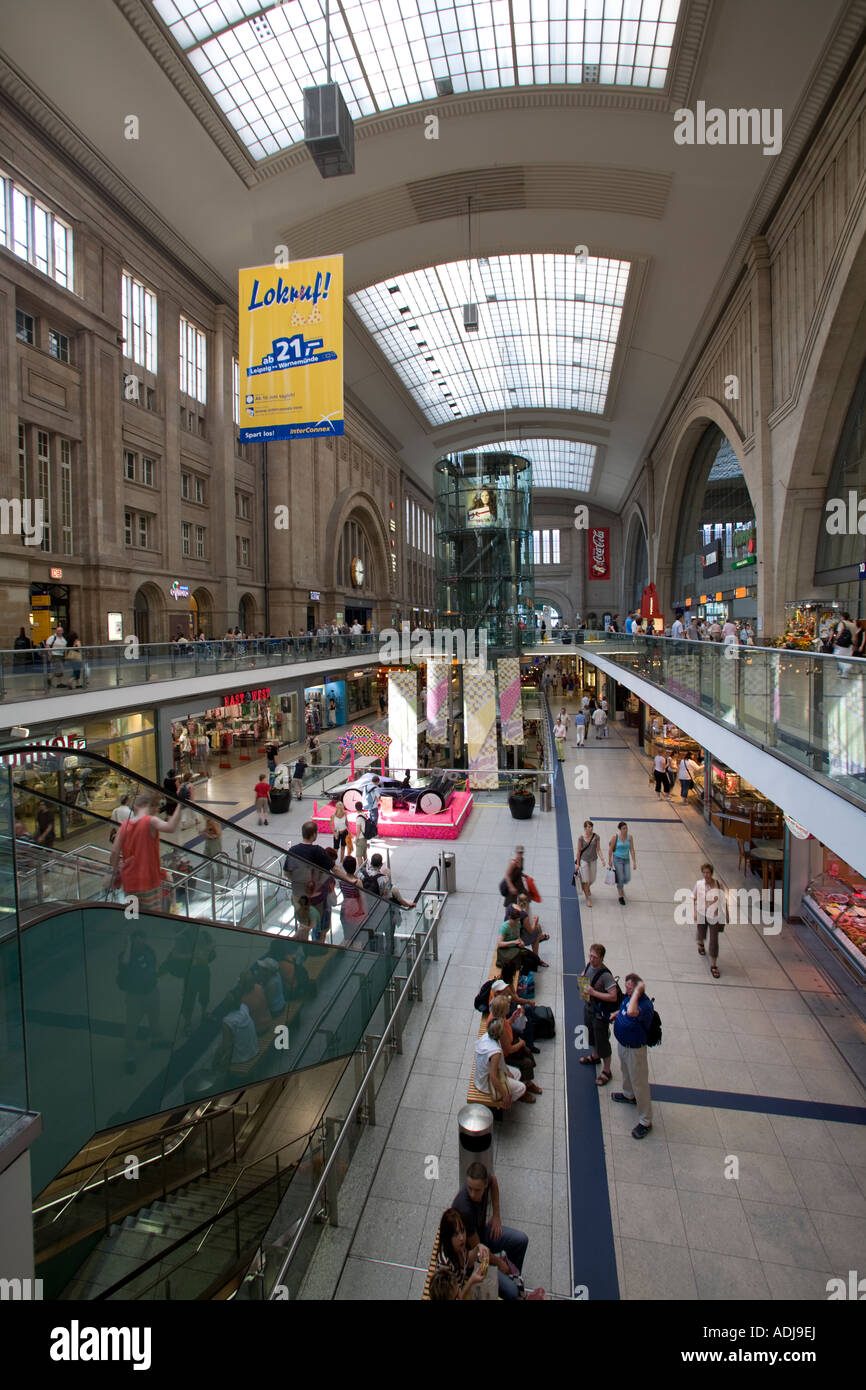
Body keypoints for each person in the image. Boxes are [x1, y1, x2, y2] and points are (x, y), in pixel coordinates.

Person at [452, 1162, 532, 1301]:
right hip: (472, 1256)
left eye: (477, 1190)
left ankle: (512, 1275)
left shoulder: (487, 1180)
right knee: (512, 1292)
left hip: (482, 1233)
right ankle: (508, 1285)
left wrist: (496, 1215)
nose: (472, 1194)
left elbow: (493, 1180)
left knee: (521, 1240)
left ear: (484, 1184)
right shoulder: (464, 1209)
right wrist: (500, 1264)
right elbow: (479, 1250)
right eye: (469, 1188)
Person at [108, 791, 182, 912]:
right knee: (151, 917)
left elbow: (115, 852)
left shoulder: (124, 825)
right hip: (148, 880)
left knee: (133, 916)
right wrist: (180, 806)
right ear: (153, 806)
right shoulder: (150, 821)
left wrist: (115, 872)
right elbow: (170, 827)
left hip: (129, 882)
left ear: (136, 807)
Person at [117, 929, 170, 1074]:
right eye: (137, 939)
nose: (141, 942)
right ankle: (129, 1056)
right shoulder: (126, 955)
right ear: (132, 941)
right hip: (135, 996)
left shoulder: (149, 951)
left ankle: (156, 1040)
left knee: (154, 1019)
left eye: (143, 938)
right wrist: (127, 945)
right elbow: (124, 963)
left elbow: (154, 965)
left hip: (151, 992)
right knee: (131, 1026)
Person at [612, 973, 654, 1139]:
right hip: (624, 1045)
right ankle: (628, 1094)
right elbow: (624, 1009)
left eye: (630, 988)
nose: (626, 990)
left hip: (635, 1050)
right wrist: (617, 1014)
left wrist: (636, 993)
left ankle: (645, 1120)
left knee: (640, 1084)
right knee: (626, 1072)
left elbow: (630, 1012)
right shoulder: (629, 998)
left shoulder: (644, 1005)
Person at [436, 1209, 498, 1300]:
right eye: (455, 1234)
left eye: (462, 1231)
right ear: (448, 1237)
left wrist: (478, 1247)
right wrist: (471, 1281)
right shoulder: (445, 1264)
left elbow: (467, 1260)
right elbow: (454, 1297)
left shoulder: (458, 1247)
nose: (461, 1238)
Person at [579, 943, 618, 1086]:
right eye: (590, 955)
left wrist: (593, 992)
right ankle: (595, 1056)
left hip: (600, 1013)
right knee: (591, 1034)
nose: (591, 959)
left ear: (601, 958)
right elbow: (585, 976)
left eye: (595, 957)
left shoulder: (606, 975)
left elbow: (613, 996)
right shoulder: (589, 965)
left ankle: (607, 1070)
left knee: (602, 1040)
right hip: (589, 1007)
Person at [489, 993, 543, 1093]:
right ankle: (525, 1087)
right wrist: (521, 1043)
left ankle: (528, 1081)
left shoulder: (498, 1016)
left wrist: (512, 1019)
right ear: (503, 1010)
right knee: (527, 1062)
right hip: (504, 1056)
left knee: (527, 1051)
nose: (509, 1005)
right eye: (507, 1006)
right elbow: (509, 1049)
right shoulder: (499, 1029)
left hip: (508, 1044)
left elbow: (506, 1023)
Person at [473, 1017, 530, 1107]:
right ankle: (505, 1102)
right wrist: (505, 1095)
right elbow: (493, 1077)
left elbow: (500, 1064)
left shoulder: (486, 1036)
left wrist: (507, 1072)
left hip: (481, 1075)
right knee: (522, 1088)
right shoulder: (495, 1053)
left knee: (517, 1073)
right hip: (485, 1083)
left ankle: (510, 1088)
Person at [693, 861, 726, 978]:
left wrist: (726, 914)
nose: (706, 875)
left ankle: (713, 965)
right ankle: (701, 943)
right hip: (702, 913)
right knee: (701, 932)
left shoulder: (718, 884)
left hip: (714, 916)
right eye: (704, 873)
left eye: (708, 873)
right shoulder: (699, 884)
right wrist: (694, 912)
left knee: (714, 940)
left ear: (711, 873)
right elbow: (694, 898)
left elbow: (723, 900)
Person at [574, 819, 605, 907]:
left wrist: (602, 859)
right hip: (584, 860)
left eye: (591, 827)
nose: (591, 829)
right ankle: (587, 898)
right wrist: (577, 863)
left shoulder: (596, 837)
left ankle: (586, 887)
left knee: (592, 879)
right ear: (585, 828)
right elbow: (579, 851)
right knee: (586, 880)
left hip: (593, 860)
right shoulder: (581, 838)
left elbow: (598, 849)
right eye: (589, 827)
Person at [608, 820, 637, 906]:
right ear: (620, 829)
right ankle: (620, 896)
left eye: (626, 828)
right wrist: (610, 860)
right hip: (617, 859)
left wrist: (634, 861)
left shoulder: (630, 837)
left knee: (627, 877)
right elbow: (610, 848)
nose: (626, 830)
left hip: (626, 859)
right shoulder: (615, 837)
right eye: (624, 828)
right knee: (620, 877)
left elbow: (631, 849)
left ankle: (620, 885)